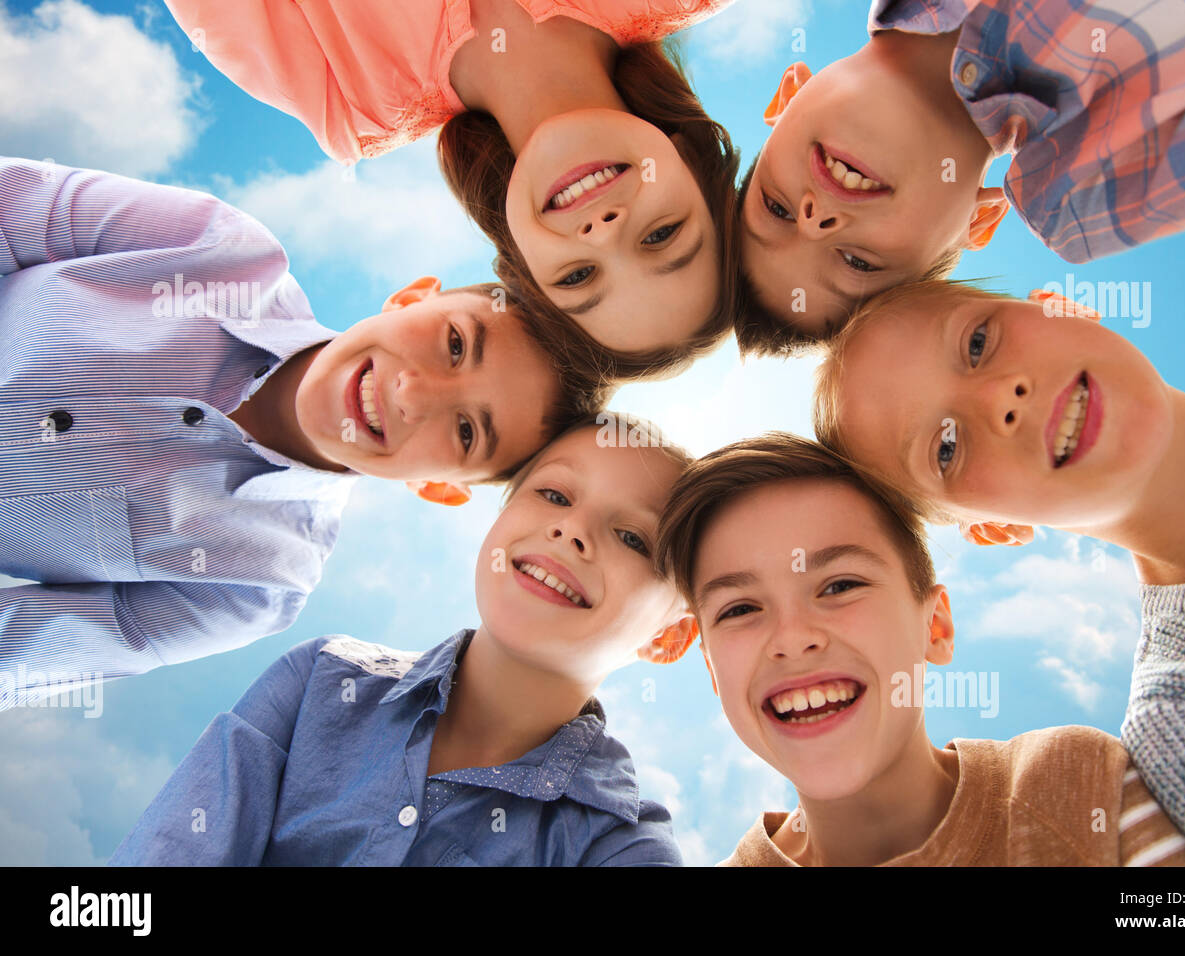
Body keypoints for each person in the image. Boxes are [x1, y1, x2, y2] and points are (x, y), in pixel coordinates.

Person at [0, 158, 606, 709]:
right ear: (410, 298)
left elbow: (29, 650)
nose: (413, 393)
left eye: (468, 432)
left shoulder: (252, 587)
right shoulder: (219, 249)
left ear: (437, 488)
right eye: (454, 344)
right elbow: (17, 206)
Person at [812, 279, 1185, 864]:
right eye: (946, 448)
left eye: (978, 343)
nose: (1000, 398)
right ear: (993, 528)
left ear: (1062, 305)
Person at [110, 413, 698, 865]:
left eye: (631, 538)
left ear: (670, 636)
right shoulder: (321, 677)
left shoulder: (619, 842)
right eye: (554, 495)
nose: (572, 529)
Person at [655, 433, 1185, 866]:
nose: (793, 637)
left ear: (935, 626)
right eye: (740, 610)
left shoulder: (1071, 786)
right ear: (711, 669)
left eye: (840, 585)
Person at [164, 0, 741, 373]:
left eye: (579, 275)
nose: (604, 232)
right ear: (695, 162)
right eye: (663, 235)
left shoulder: (345, 98)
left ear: (522, 262)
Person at [735, 0, 1185, 355]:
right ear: (978, 223)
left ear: (786, 98)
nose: (815, 222)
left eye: (776, 210)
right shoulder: (1091, 192)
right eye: (857, 263)